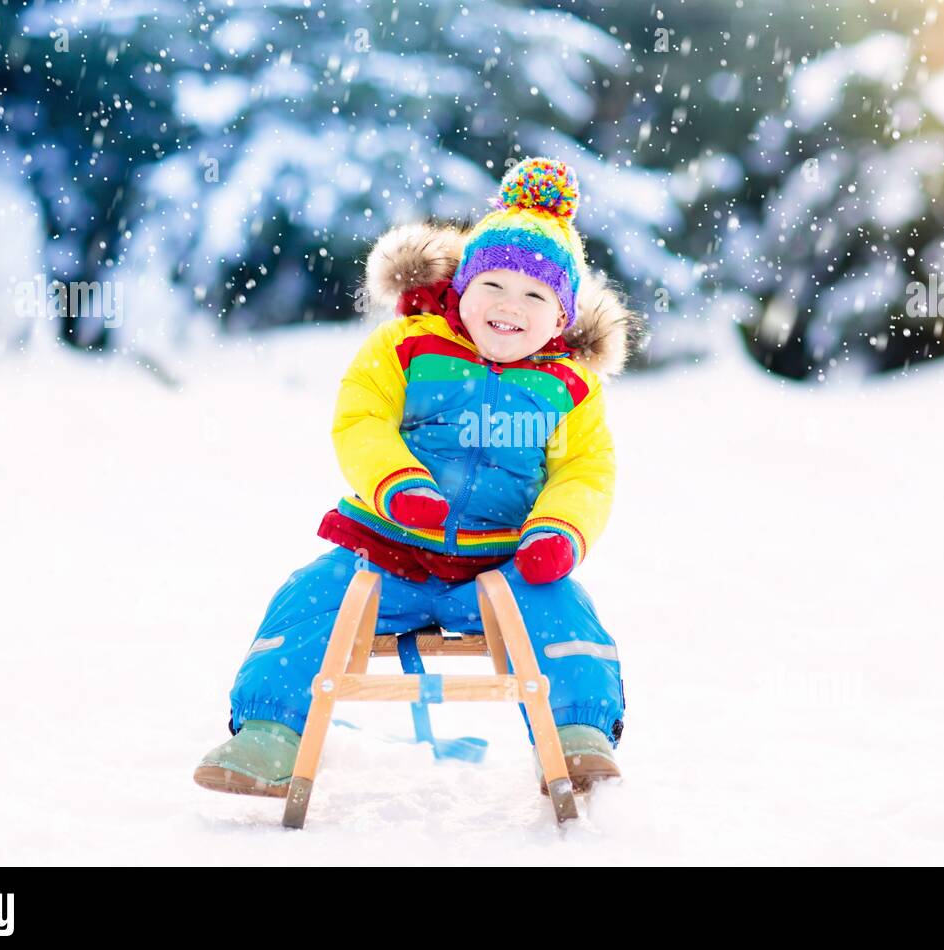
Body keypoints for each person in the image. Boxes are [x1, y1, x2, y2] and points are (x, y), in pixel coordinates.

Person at [193, 157, 639, 799]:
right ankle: (268, 732)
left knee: (563, 610)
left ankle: (576, 733)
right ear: (462, 286)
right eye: (493, 285)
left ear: (562, 316)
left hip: (502, 563)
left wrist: (560, 531)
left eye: (536, 295)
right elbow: (362, 415)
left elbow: (585, 470)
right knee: (312, 597)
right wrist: (399, 485)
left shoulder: (571, 385)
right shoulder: (409, 345)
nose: (510, 307)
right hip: (390, 548)